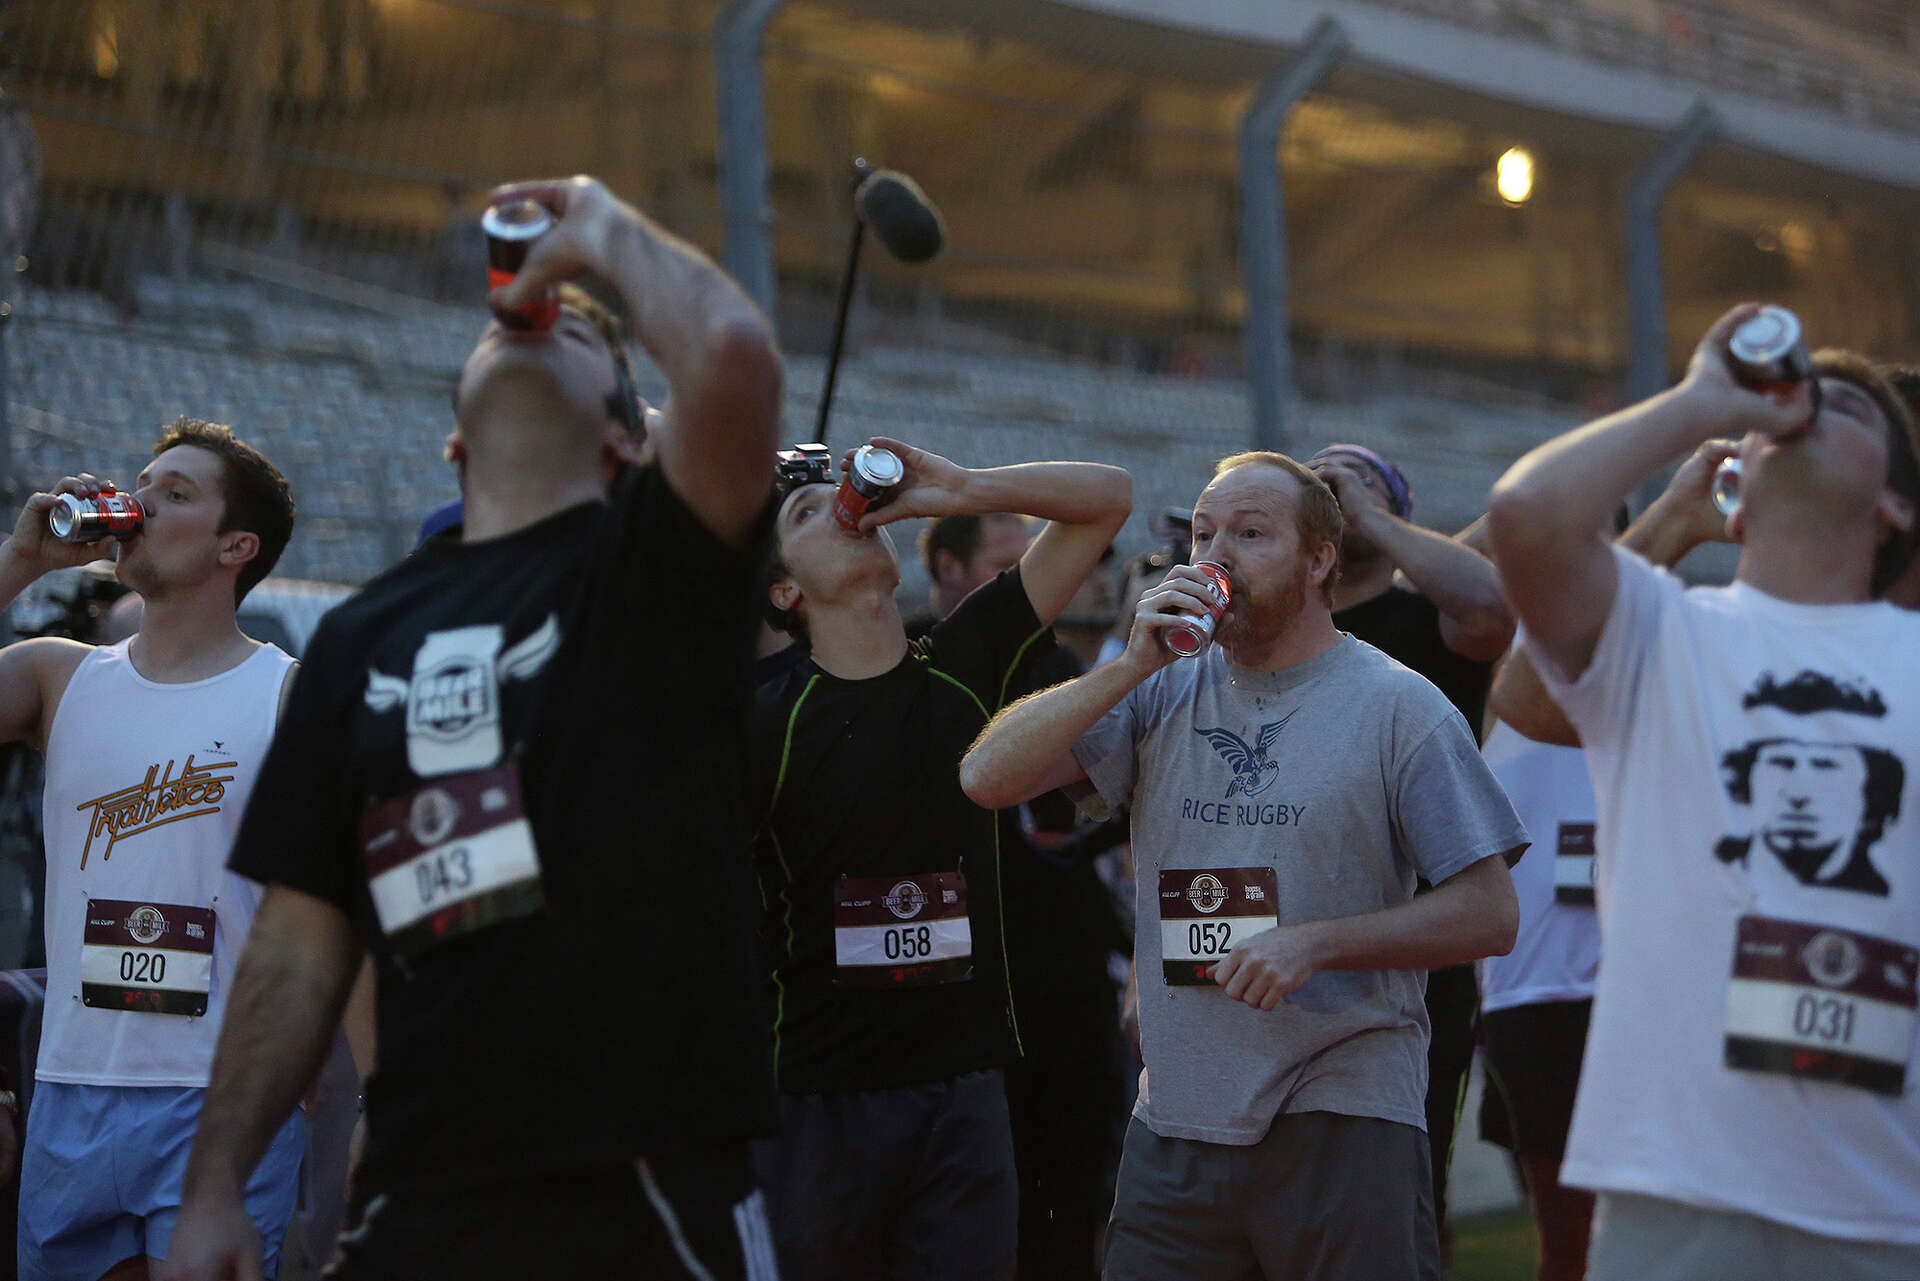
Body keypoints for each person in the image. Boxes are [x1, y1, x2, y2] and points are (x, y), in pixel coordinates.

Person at [164, 174, 786, 1281]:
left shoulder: (655, 566)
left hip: (644, 1190)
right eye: (509, 331)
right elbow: (301, 942)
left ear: (627, 444)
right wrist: (215, 1186)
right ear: (454, 442)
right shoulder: (358, 636)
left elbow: (733, 356)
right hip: (416, 1197)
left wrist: (596, 227)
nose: (545, 324)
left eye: (587, 341)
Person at [960, 450, 1525, 1281]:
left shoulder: (1398, 705)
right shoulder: (1160, 687)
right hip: (1178, 1118)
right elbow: (985, 777)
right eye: (1202, 532)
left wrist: (1315, 943)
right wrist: (1129, 663)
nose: (1215, 554)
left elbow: (1492, 912)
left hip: (1342, 1109)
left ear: (1318, 560)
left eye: (1251, 533)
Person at [1487, 305, 1920, 1280]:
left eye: (1848, 409)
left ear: (1897, 507)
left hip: (1888, 1207)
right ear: (1735, 498)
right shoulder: (1663, 631)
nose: (1809, 409)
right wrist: (1698, 403)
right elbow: (1528, 517)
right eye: (1792, 408)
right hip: (1669, 1190)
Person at [753, 438, 1129, 1281]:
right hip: (816, 1099)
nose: (841, 507)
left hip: (962, 1090)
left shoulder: (965, 665)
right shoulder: (760, 720)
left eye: (838, 494)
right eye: (804, 512)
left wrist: (960, 490)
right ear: (784, 589)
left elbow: (1107, 495)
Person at [0, 419, 301, 1281]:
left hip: (222, 1097)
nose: (138, 504)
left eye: (176, 494)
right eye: (143, 482)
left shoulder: (285, 693)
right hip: (74, 1083)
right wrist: (21, 563)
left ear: (235, 545)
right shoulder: (59, 676)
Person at [1306, 442, 1514, 1254]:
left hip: (1417, 949)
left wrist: (1370, 517)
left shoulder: (1426, 619)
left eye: (1354, 473)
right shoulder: (1283, 631)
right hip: (1291, 942)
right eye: (1316, 474)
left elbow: (1493, 601)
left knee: (1404, 1191)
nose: (1329, 481)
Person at [907, 513, 1035, 638]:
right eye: (1006, 566)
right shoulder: (900, 649)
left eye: (1023, 565)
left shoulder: (1037, 645)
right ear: (947, 566)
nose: (1022, 577)